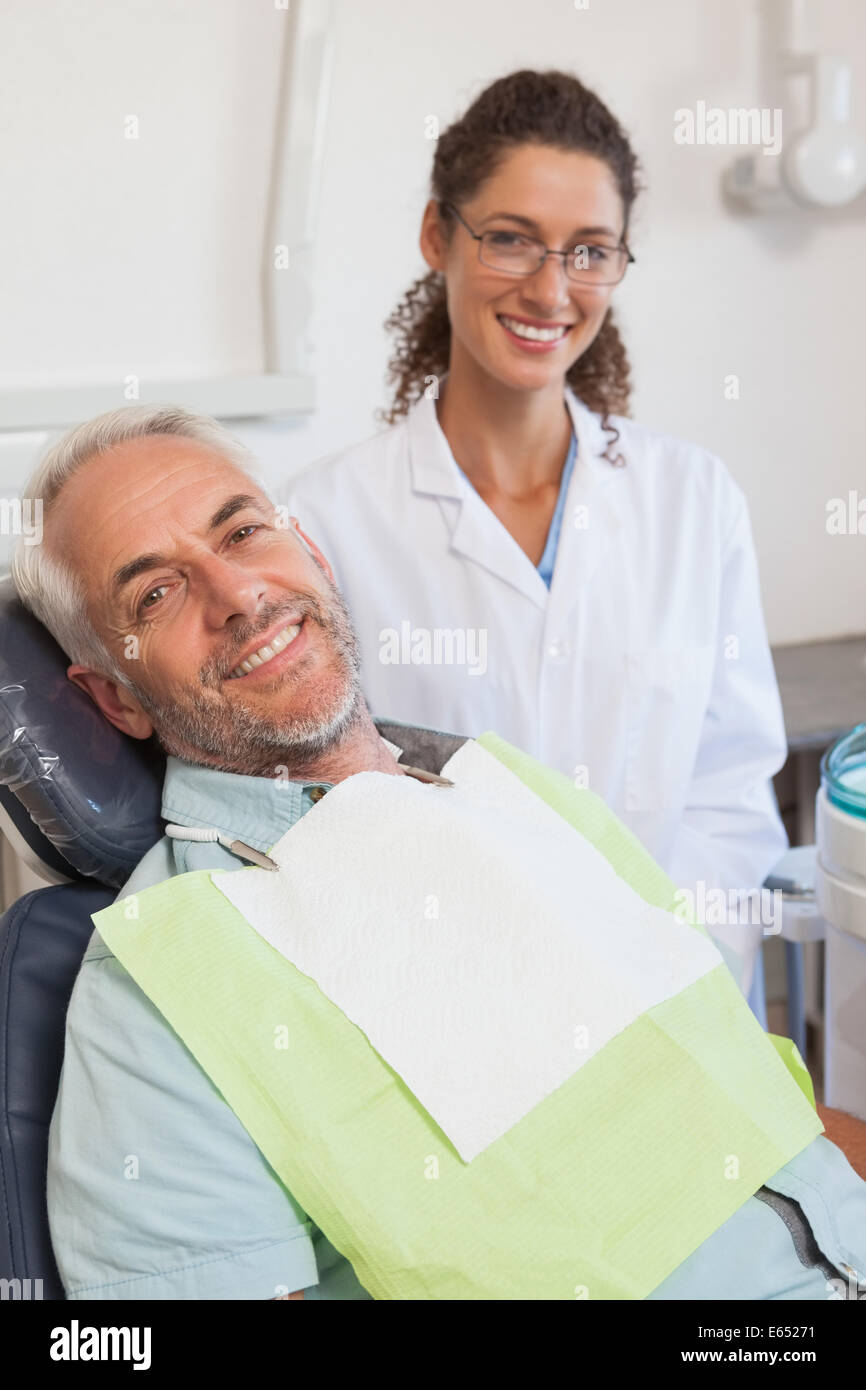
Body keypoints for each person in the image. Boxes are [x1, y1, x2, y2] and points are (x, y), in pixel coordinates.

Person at [11, 405, 866, 1300]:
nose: (237, 595)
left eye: (244, 531)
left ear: (314, 555)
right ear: (115, 699)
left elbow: (768, 1117)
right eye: (157, 593)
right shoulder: (160, 985)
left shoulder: (518, 794)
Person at [287, 69, 788, 996]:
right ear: (439, 235)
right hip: (452, 1008)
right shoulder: (325, 523)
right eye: (512, 239)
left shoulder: (692, 499)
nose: (553, 288)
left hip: (677, 999)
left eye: (590, 249)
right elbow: (329, 811)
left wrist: (670, 967)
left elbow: (729, 786)